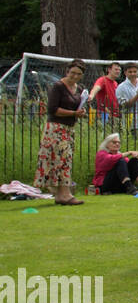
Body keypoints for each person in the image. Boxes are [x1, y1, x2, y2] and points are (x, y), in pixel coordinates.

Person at [36, 59, 88, 205]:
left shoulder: (78, 88)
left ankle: (61, 195)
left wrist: (80, 112)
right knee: (61, 160)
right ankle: (65, 194)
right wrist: (73, 113)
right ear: (67, 71)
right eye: (73, 73)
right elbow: (52, 109)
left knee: (66, 160)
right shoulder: (58, 86)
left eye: (78, 74)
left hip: (69, 129)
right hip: (56, 128)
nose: (75, 76)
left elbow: (76, 107)